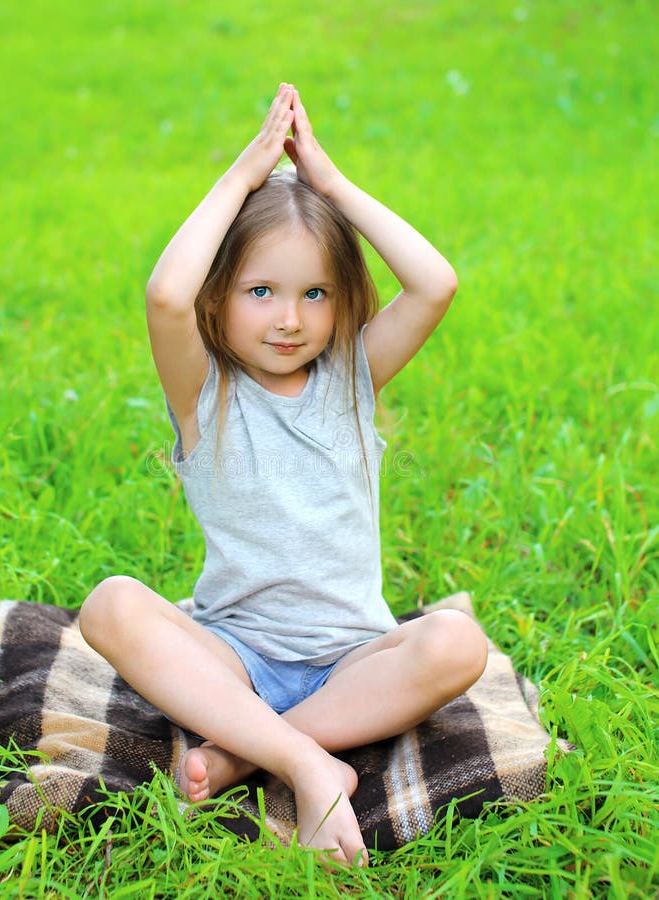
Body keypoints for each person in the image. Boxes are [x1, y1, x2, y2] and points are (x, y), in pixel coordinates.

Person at [79, 83, 488, 866]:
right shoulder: (205, 396)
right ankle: (305, 760)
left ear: (340, 303)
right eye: (260, 292)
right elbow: (164, 294)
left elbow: (435, 283)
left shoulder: (350, 379)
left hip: (351, 658)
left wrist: (328, 186)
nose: (289, 318)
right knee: (110, 607)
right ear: (220, 298)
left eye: (314, 294)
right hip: (236, 655)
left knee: (453, 645)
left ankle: (245, 752)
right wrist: (241, 177)